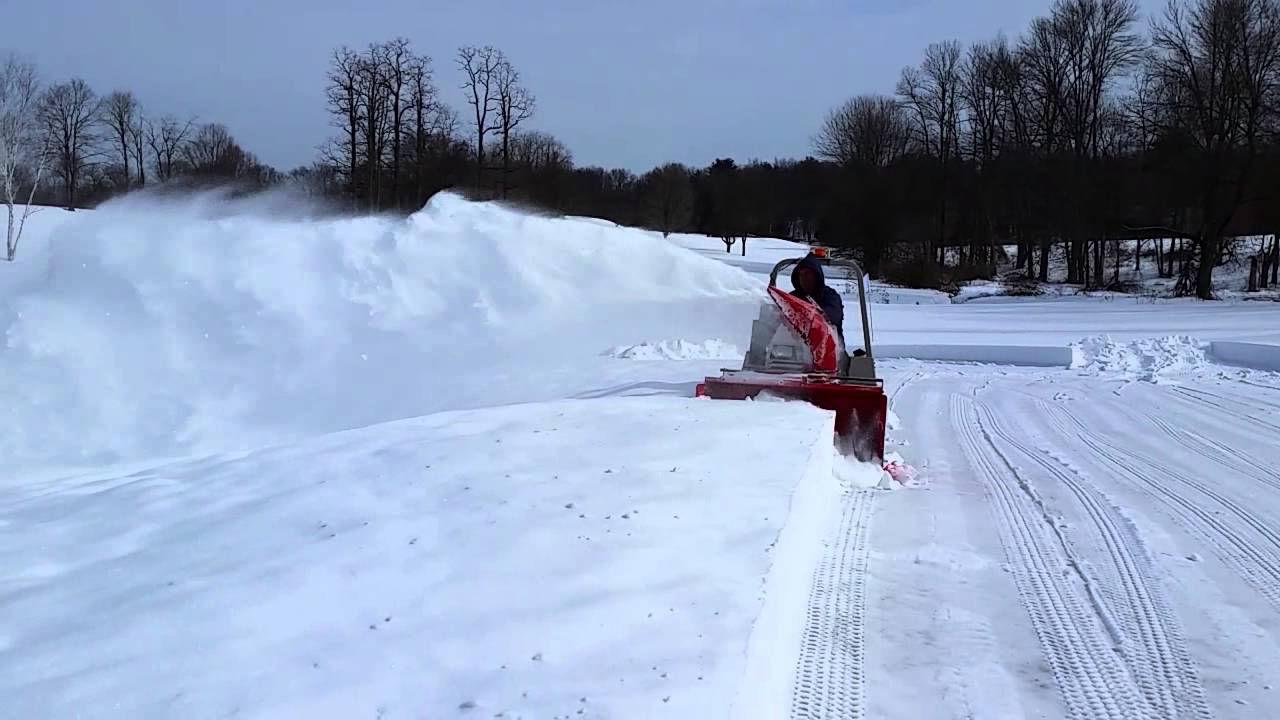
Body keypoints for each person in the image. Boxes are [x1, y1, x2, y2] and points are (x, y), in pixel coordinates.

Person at [790, 253, 845, 342]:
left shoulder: (830, 296)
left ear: (816, 275)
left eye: (807, 274)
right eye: (800, 275)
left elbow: (832, 314)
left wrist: (811, 315)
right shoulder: (793, 297)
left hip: (829, 345)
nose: (803, 278)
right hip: (796, 345)